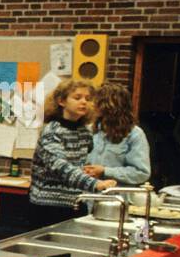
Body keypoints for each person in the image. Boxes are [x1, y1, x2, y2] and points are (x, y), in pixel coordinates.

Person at [30, 79, 116, 227]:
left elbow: (78, 164)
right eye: (77, 98)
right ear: (61, 101)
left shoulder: (85, 132)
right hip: (50, 207)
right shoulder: (52, 131)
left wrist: (88, 171)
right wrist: (96, 184)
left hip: (76, 203)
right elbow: (61, 167)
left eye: (88, 99)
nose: (84, 102)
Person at [85, 81, 150, 187]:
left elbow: (141, 173)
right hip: (88, 197)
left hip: (116, 198)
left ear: (109, 105)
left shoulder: (134, 134)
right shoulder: (89, 130)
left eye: (96, 101)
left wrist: (105, 171)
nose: (92, 104)